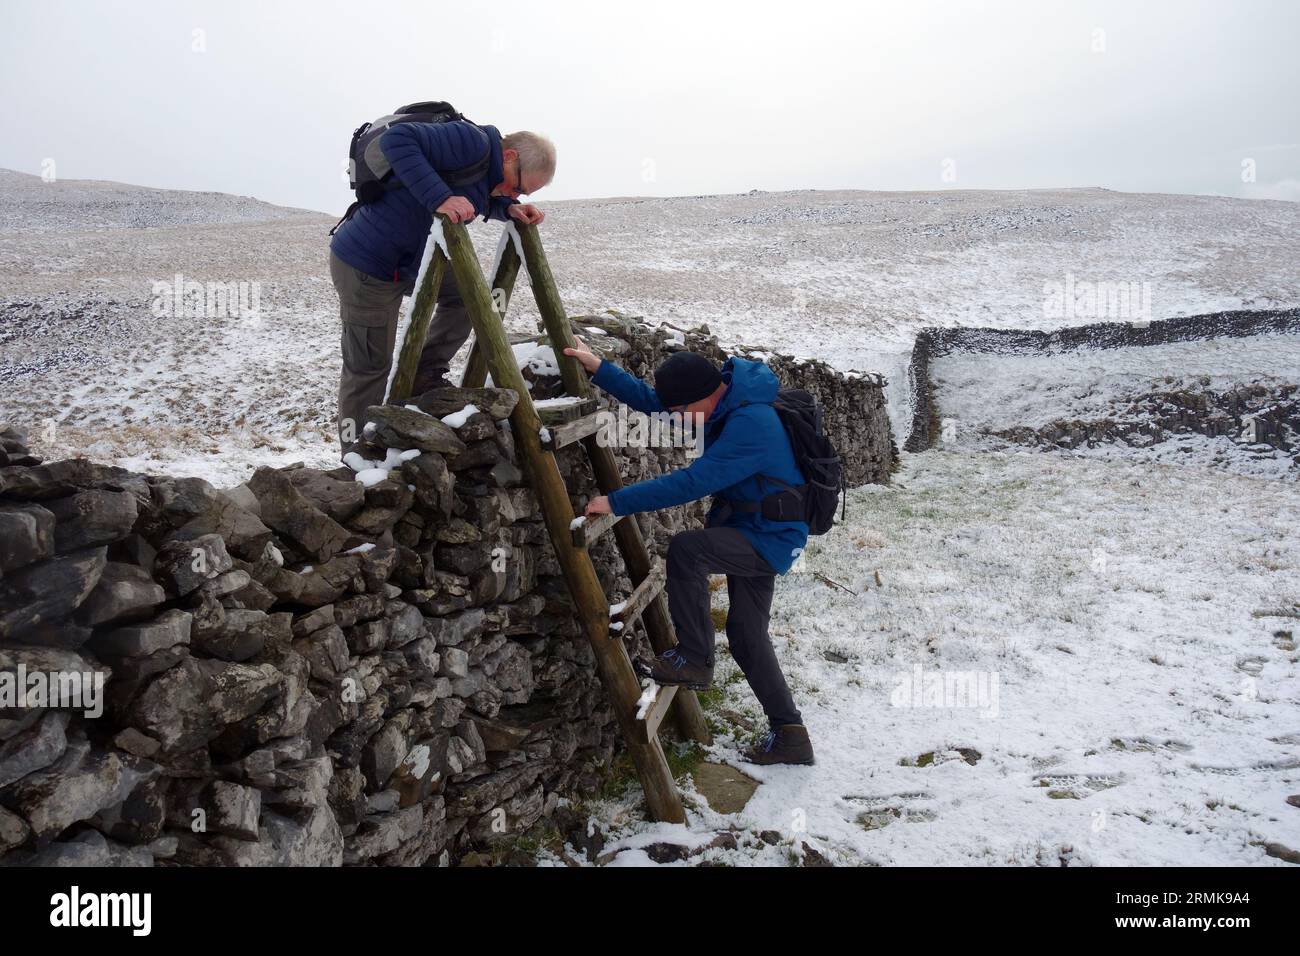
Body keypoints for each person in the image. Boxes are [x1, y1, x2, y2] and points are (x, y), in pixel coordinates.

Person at [563, 339, 816, 766]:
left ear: (704, 397)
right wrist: (600, 368)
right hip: (752, 527)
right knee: (747, 634)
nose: (677, 420)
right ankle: (791, 734)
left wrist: (616, 501)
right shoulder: (724, 404)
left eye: (682, 411)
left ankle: (694, 658)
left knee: (687, 551)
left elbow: (692, 483)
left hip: (769, 536)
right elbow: (658, 404)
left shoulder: (751, 423)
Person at [328, 119, 556, 454]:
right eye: (518, 188)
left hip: (411, 264)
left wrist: (509, 207)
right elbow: (398, 139)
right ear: (509, 156)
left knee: (469, 296)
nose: (516, 193)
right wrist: (441, 197)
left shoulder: (490, 176)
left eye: (523, 194)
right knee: (369, 368)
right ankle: (358, 456)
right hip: (367, 267)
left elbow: (476, 198)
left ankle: (425, 372)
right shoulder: (471, 142)